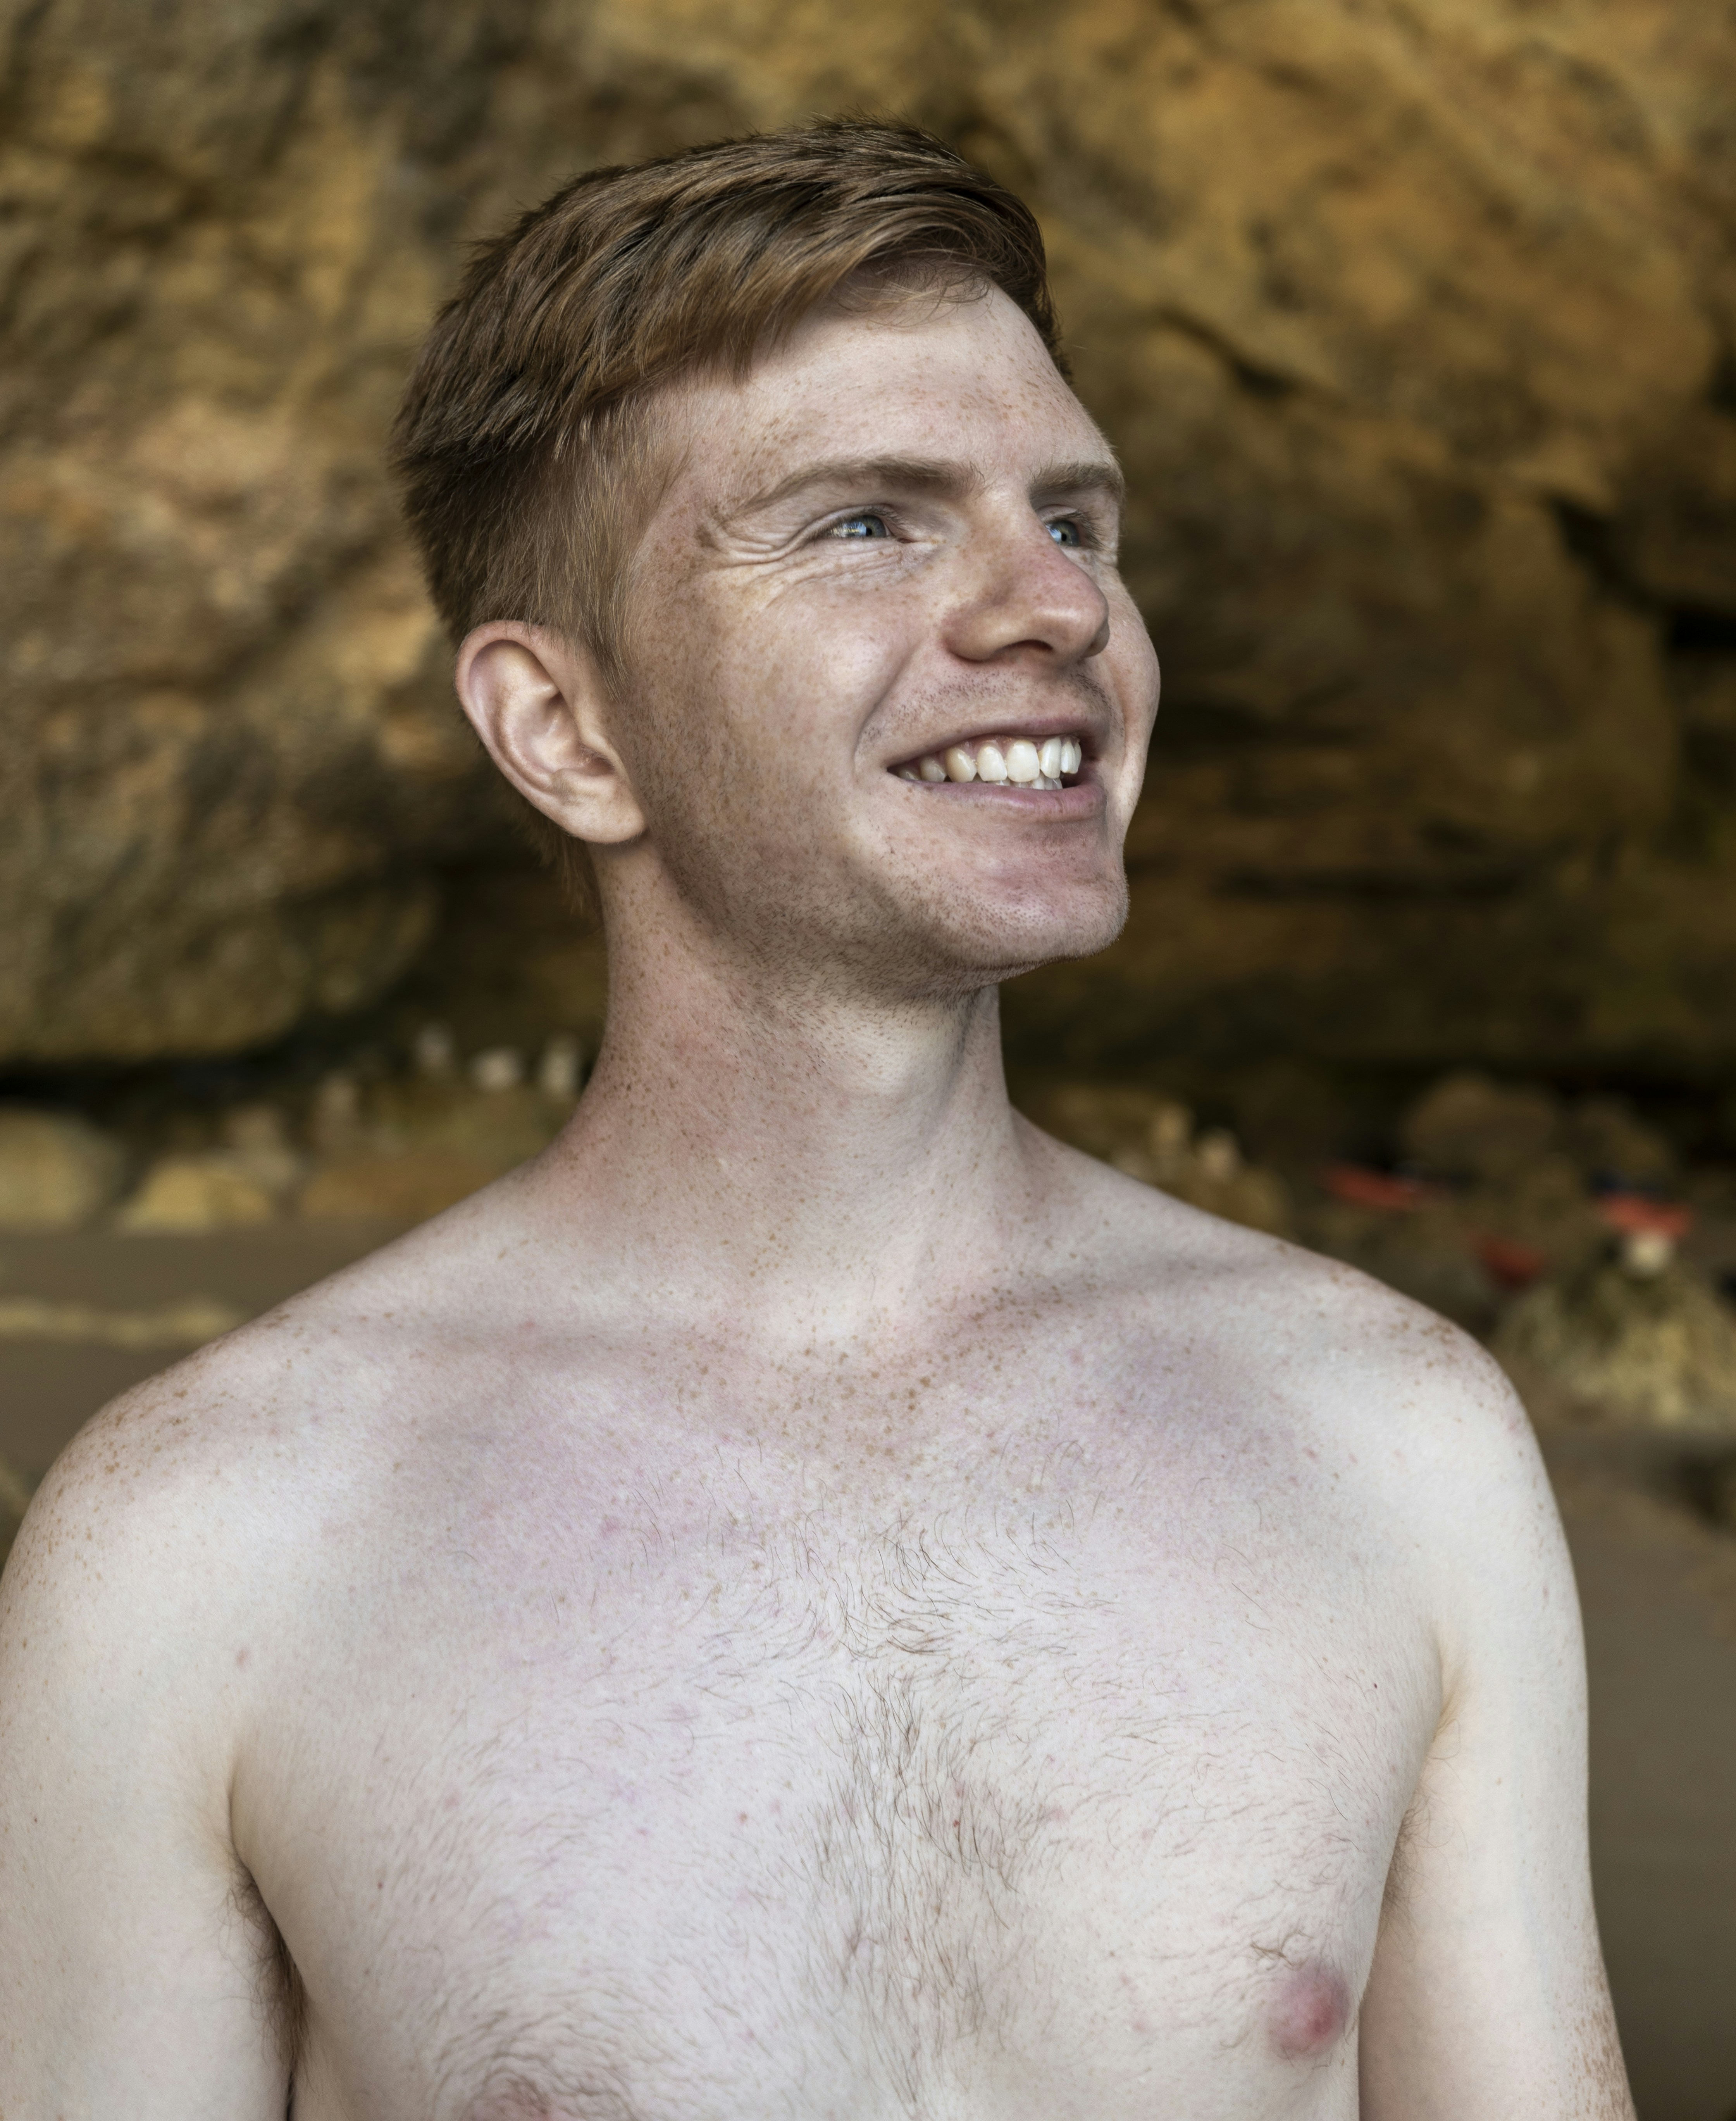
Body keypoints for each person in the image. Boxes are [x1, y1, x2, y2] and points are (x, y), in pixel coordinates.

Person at [0, 122, 1633, 2119]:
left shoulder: (1396, 1439)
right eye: (869, 522)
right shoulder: (203, 1539)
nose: (1049, 609)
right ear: (566, 732)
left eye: (1077, 520)